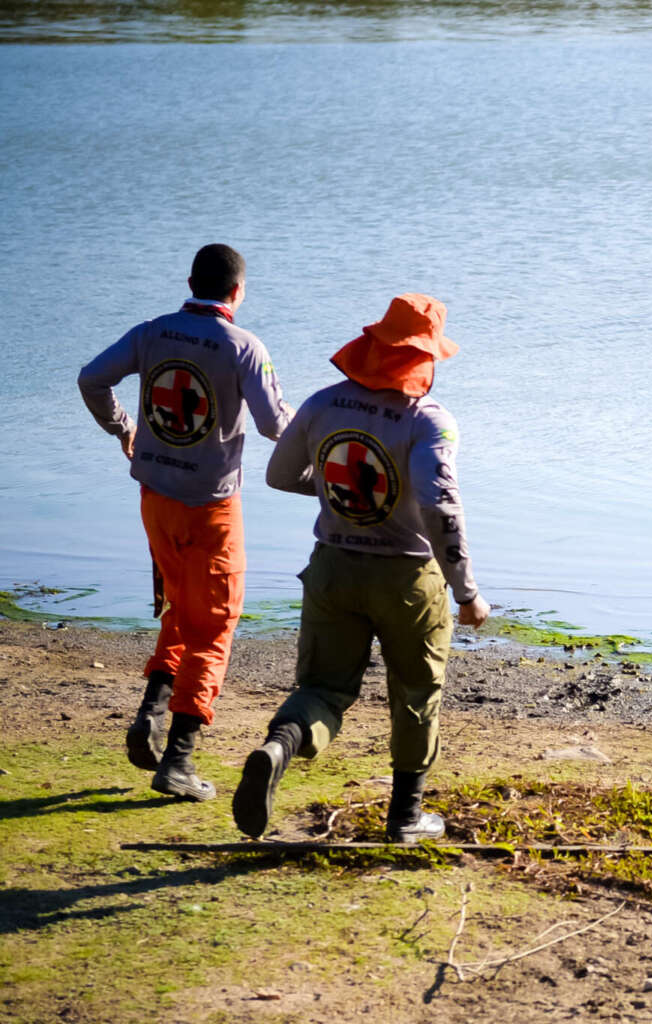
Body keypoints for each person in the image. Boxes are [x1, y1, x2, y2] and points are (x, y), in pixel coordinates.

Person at [233, 293, 491, 844]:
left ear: (372, 347)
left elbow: (280, 475)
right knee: (416, 694)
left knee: (323, 687)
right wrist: (467, 591)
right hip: (406, 580)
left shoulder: (323, 404)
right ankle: (405, 817)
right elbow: (440, 506)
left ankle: (277, 748)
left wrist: (345, 495)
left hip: (332, 568)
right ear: (426, 360)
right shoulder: (430, 422)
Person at [78, 244, 294, 801]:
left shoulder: (152, 332)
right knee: (215, 626)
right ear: (238, 293)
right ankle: (178, 760)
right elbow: (275, 426)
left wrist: (122, 426)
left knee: (182, 606)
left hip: (155, 497)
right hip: (211, 508)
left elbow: (91, 379)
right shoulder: (245, 346)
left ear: (190, 280)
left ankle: (151, 714)